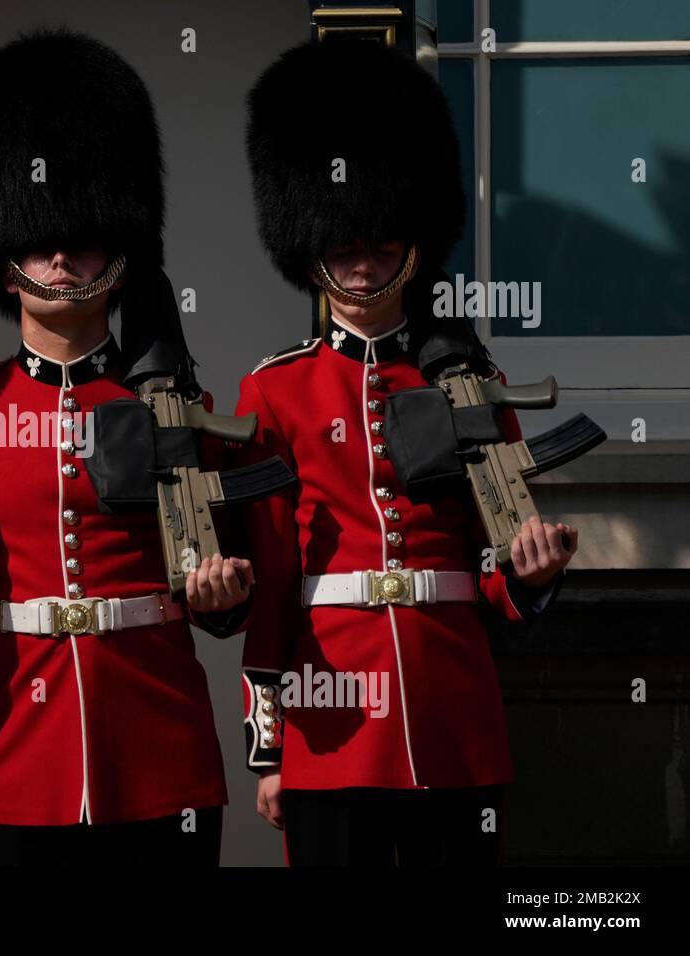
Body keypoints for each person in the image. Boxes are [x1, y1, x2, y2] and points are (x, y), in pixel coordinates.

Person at [0, 28, 251, 867]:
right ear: (4, 255)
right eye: (36, 237)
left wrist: (222, 596)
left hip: (158, 762)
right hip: (15, 762)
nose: (60, 255)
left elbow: (227, 586)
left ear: (120, 256)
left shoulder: (180, 406)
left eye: (84, 237)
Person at [235, 40, 578, 866]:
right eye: (343, 244)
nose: (361, 262)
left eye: (381, 243)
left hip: (450, 710)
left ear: (412, 244)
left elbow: (495, 553)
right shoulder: (275, 392)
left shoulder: (472, 378)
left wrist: (527, 577)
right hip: (333, 718)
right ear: (311, 246)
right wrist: (270, 744)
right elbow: (275, 579)